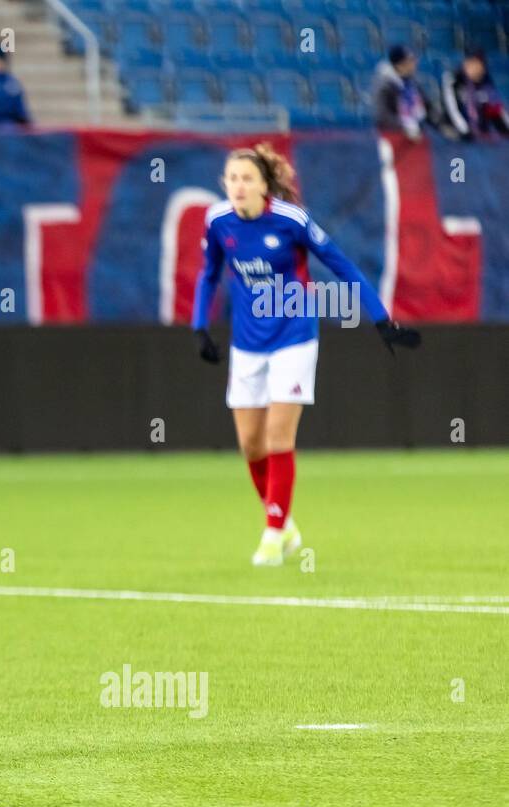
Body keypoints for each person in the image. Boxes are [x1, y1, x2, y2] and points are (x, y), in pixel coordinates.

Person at [191, 144, 420, 566]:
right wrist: (199, 327)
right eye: (232, 179)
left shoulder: (292, 220)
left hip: (295, 338)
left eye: (247, 178)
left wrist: (381, 319)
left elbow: (342, 266)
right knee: (250, 445)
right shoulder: (217, 220)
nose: (238, 186)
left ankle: (273, 535)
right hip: (247, 343)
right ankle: (284, 521)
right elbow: (208, 274)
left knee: (279, 438)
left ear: (264, 185)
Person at [441, 50, 509, 140]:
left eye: (478, 65)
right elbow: (451, 108)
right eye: (471, 64)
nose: (474, 68)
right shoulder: (453, 79)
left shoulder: (486, 82)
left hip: (480, 131)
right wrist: (465, 131)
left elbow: (497, 108)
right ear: (465, 64)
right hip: (457, 130)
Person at [372, 45, 431, 141]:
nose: (414, 63)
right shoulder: (385, 85)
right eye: (410, 61)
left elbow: (426, 106)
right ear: (399, 64)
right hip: (394, 136)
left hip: (416, 135)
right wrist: (406, 127)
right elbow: (382, 115)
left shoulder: (413, 82)